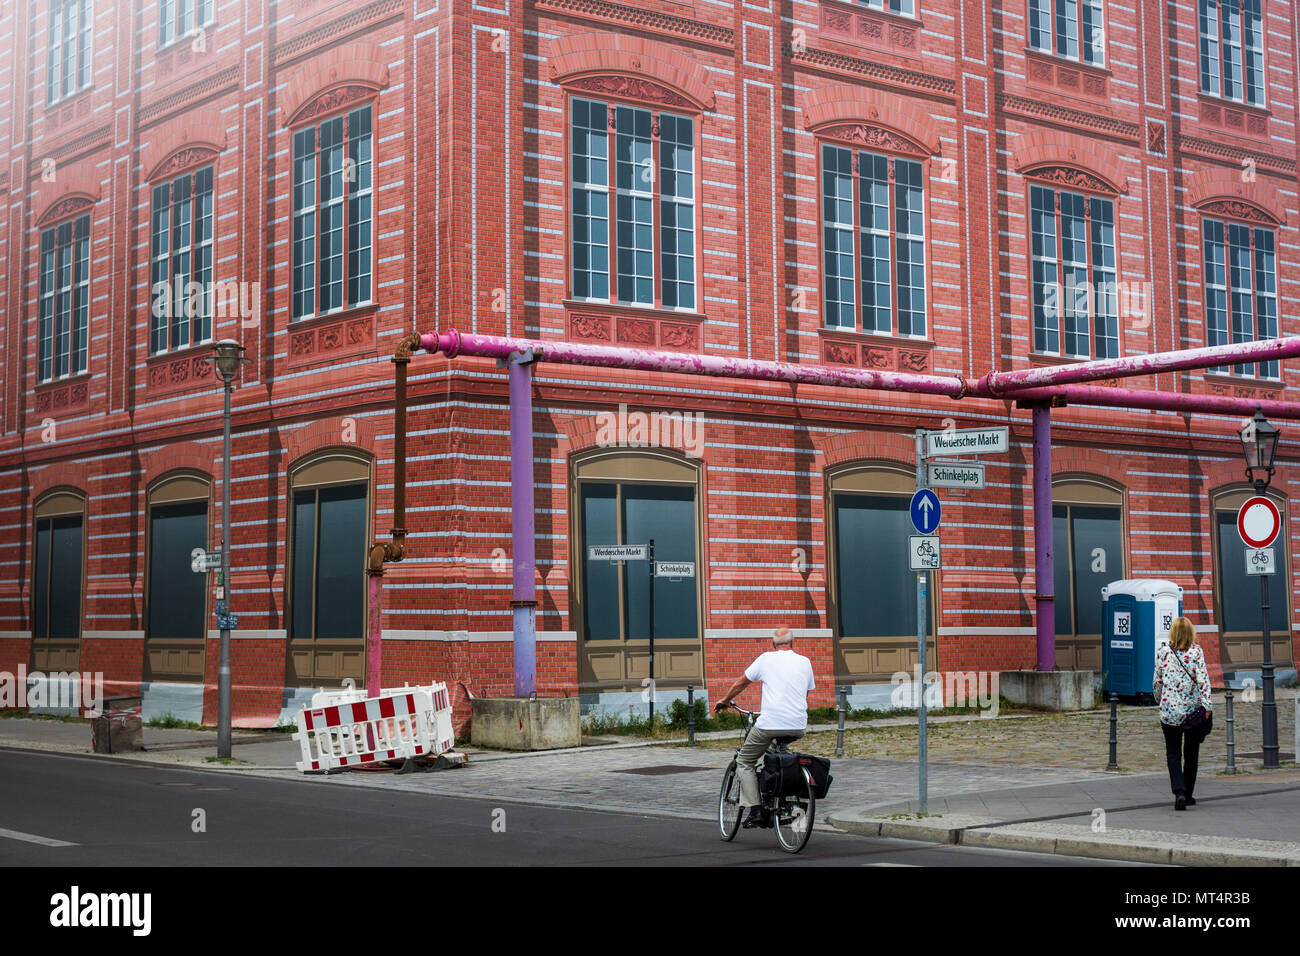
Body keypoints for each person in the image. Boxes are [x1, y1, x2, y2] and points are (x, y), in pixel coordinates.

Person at [714, 626, 815, 828]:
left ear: (773, 644)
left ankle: (756, 809)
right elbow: (806, 692)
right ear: (793, 643)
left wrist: (725, 700)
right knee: (784, 758)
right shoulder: (805, 662)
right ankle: (785, 799)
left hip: (770, 724)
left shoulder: (766, 659)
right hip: (798, 725)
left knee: (744, 761)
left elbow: (742, 683)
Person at [1153, 616, 1212, 811]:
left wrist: (1159, 698)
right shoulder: (1196, 652)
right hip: (1192, 713)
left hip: (1169, 712)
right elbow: (1203, 680)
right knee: (1191, 753)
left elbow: (1157, 682)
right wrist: (1207, 706)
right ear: (1190, 633)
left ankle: (1178, 791)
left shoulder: (1163, 653)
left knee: (1173, 753)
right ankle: (1188, 794)